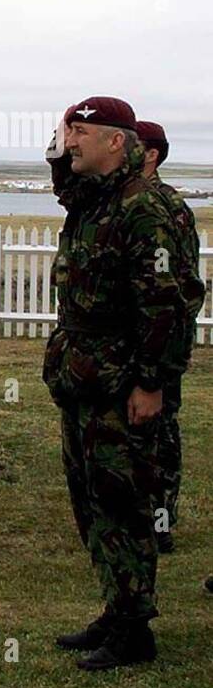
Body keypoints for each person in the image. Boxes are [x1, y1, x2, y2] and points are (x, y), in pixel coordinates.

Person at [42, 97, 190, 670]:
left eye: (81, 132)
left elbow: (165, 306)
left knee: (123, 501)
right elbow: (65, 181)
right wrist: (62, 142)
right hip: (83, 376)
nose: (70, 141)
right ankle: (116, 606)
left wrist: (151, 382)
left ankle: (134, 629)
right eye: (67, 131)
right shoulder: (95, 198)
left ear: (116, 142)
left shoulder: (145, 208)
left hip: (122, 377)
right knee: (92, 501)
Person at [135, 121, 206, 552]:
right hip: (129, 347)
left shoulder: (168, 207)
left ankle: (160, 521)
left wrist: (166, 346)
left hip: (162, 344)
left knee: (159, 435)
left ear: (152, 155)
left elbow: (183, 286)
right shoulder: (120, 203)